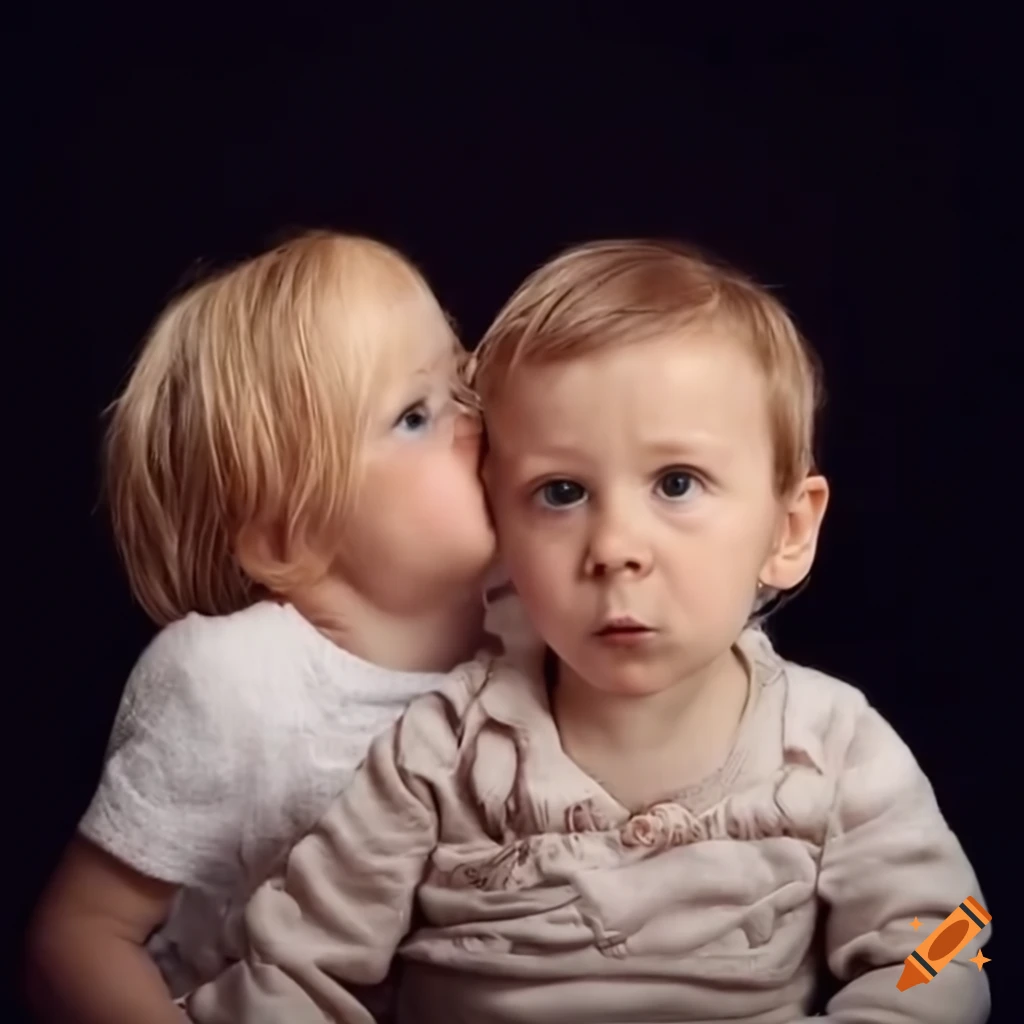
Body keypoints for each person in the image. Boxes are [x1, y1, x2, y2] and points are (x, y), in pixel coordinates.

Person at [184, 239, 990, 1023]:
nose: (613, 550)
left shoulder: (835, 747)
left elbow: (959, 941)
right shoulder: (440, 753)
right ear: (500, 519)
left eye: (677, 484)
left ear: (788, 530)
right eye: (561, 492)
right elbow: (293, 971)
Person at [25, 231, 497, 1024]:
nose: (477, 422)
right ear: (290, 539)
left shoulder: (542, 619)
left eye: (464, 380)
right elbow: (76, 939)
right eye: (415, 415)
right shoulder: (240, 684)